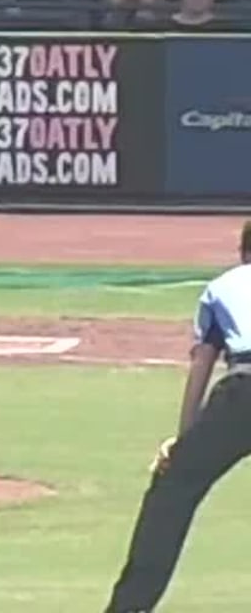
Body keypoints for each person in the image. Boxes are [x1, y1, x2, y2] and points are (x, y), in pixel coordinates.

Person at [102, 221, 251, 613]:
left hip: (243, 394)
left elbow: (202, 364)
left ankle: (129, 607)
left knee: (172, 492)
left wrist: (182, 442)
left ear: (244, 251)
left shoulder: (223, 285)